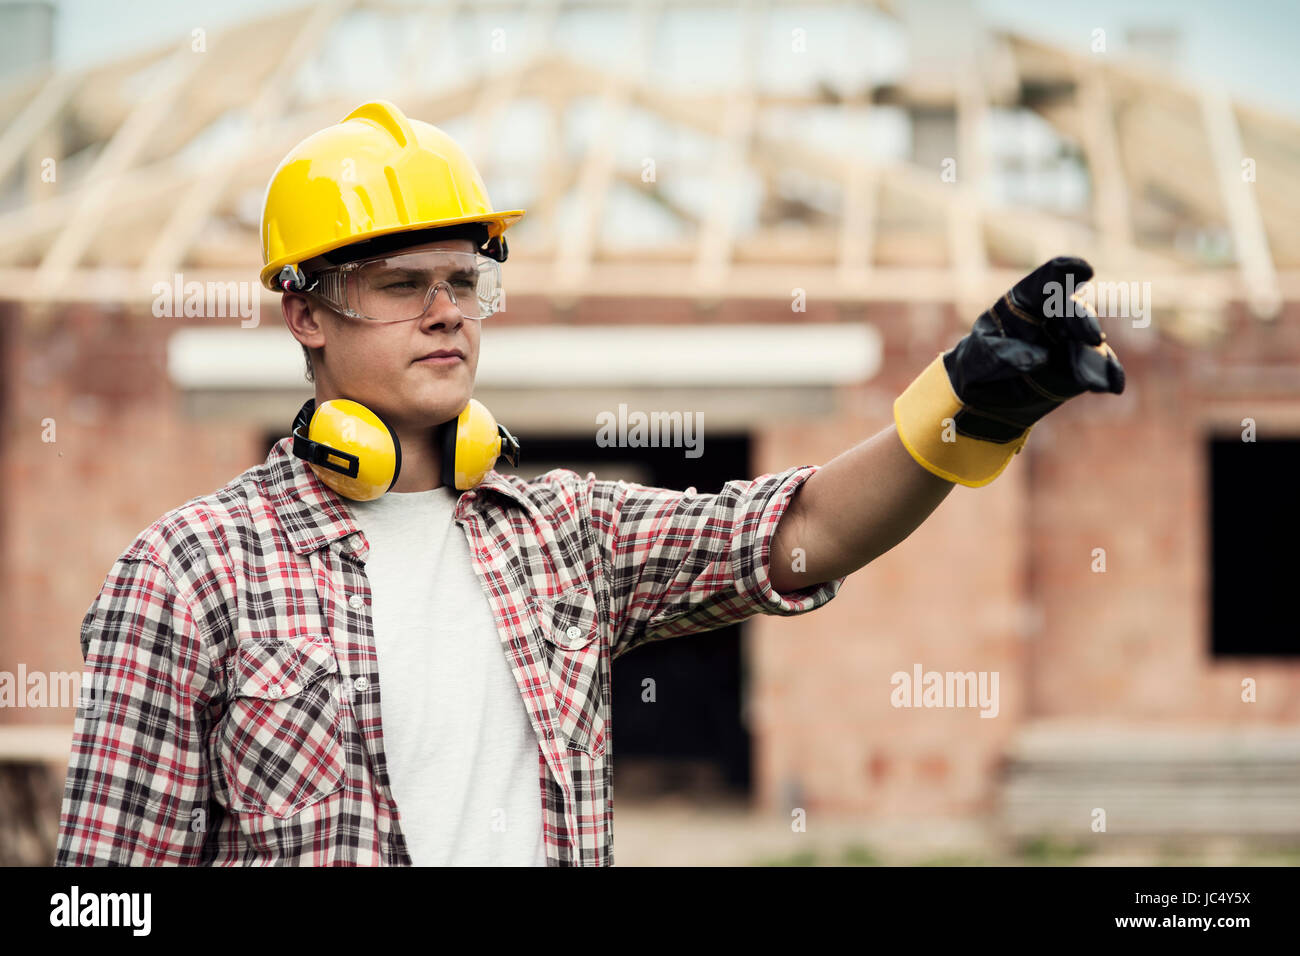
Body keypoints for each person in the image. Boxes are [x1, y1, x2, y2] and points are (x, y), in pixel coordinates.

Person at [53, 100, 1124, 867]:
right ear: (306, 313)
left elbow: (796, 533)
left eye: (466, 283)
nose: (448, 312)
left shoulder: (561, 531)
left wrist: (966, 405)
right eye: (401, 286)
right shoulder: (188, 572)